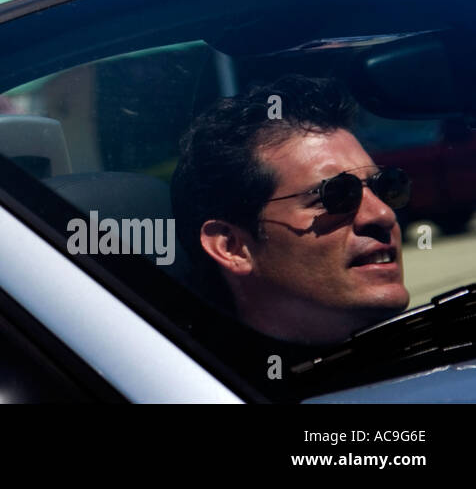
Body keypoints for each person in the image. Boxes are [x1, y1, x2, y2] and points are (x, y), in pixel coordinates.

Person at [169, 74, 410, 348]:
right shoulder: (207, 389)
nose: (382, 215)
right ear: (231, 246)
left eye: (385, 187)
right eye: (336, 195)